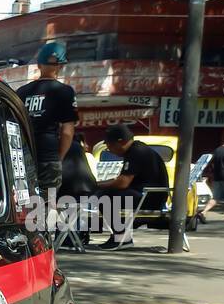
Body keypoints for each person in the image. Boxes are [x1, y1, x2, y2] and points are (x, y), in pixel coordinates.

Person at [91, 124, 169, 250]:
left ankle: (122, 237)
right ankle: (121, 235)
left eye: (110, 145)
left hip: (149, 198)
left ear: (121, 142)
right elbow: (122, 179)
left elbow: (123, 183)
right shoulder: (136, 150)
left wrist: (96, 186)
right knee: (105, 194)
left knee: (104, 198)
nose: (109, 149)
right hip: (146, 195)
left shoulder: (136, 152)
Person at [16, 41, 78, 200]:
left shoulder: (21, 92)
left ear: (38, 65)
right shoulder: (65, 92)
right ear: (61, 66)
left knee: (25, 204)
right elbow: (67, 132)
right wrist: (59, 158)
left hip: (23, 158)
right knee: (47, 206)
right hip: (48, 157)